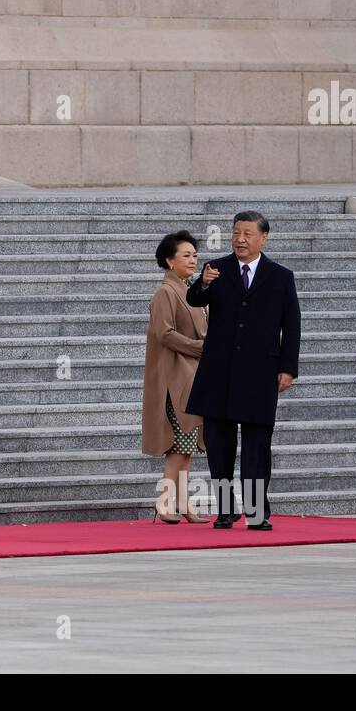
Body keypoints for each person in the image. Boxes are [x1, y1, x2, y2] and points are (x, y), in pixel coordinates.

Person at [185, 211, 301, 530]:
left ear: (263, 238)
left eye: (248, 234)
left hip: (259, 375)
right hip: (218, 373)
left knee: (256, 450)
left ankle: (256, 512)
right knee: (219, 448)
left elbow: (291, 326)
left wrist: (288, 368)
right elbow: (193, 299)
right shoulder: (217, 269)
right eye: (236, 233)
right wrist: (202, 284)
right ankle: (225, 510)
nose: (240, 239)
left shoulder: (280, 277)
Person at [142, 230, 210, 524]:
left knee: (188, 445)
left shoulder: (190, 290)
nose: (193, 259)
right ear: (170, 261)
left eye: (194, 254)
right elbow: (165, 334)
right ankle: (164, 502)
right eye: (186, 255)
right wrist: (202, 347)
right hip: (174, 377)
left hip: (192, 375)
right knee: (178, 444)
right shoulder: (165, 293)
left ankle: (183, 503)